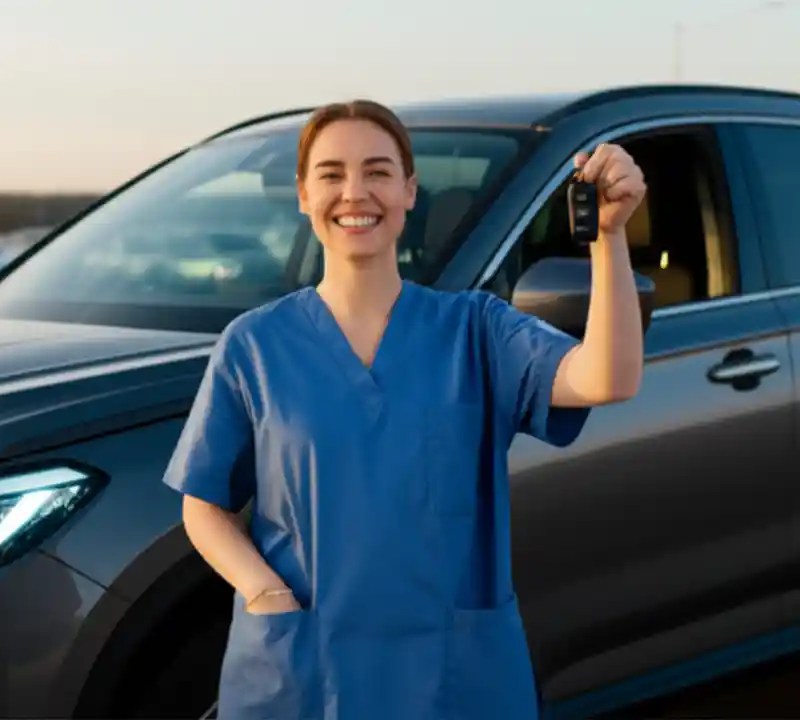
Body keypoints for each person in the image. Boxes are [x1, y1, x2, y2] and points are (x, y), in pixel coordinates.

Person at [162, 99, 646, 720]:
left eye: (378, 171)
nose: (355, 192)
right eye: (332, 174)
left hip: (452, 671)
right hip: (304, 667)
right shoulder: (253, 346)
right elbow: (203, 504)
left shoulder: (475, 330)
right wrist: (263, 592)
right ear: (304, 194)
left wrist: (609, 237)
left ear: (410, 191)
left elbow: (609, 376)